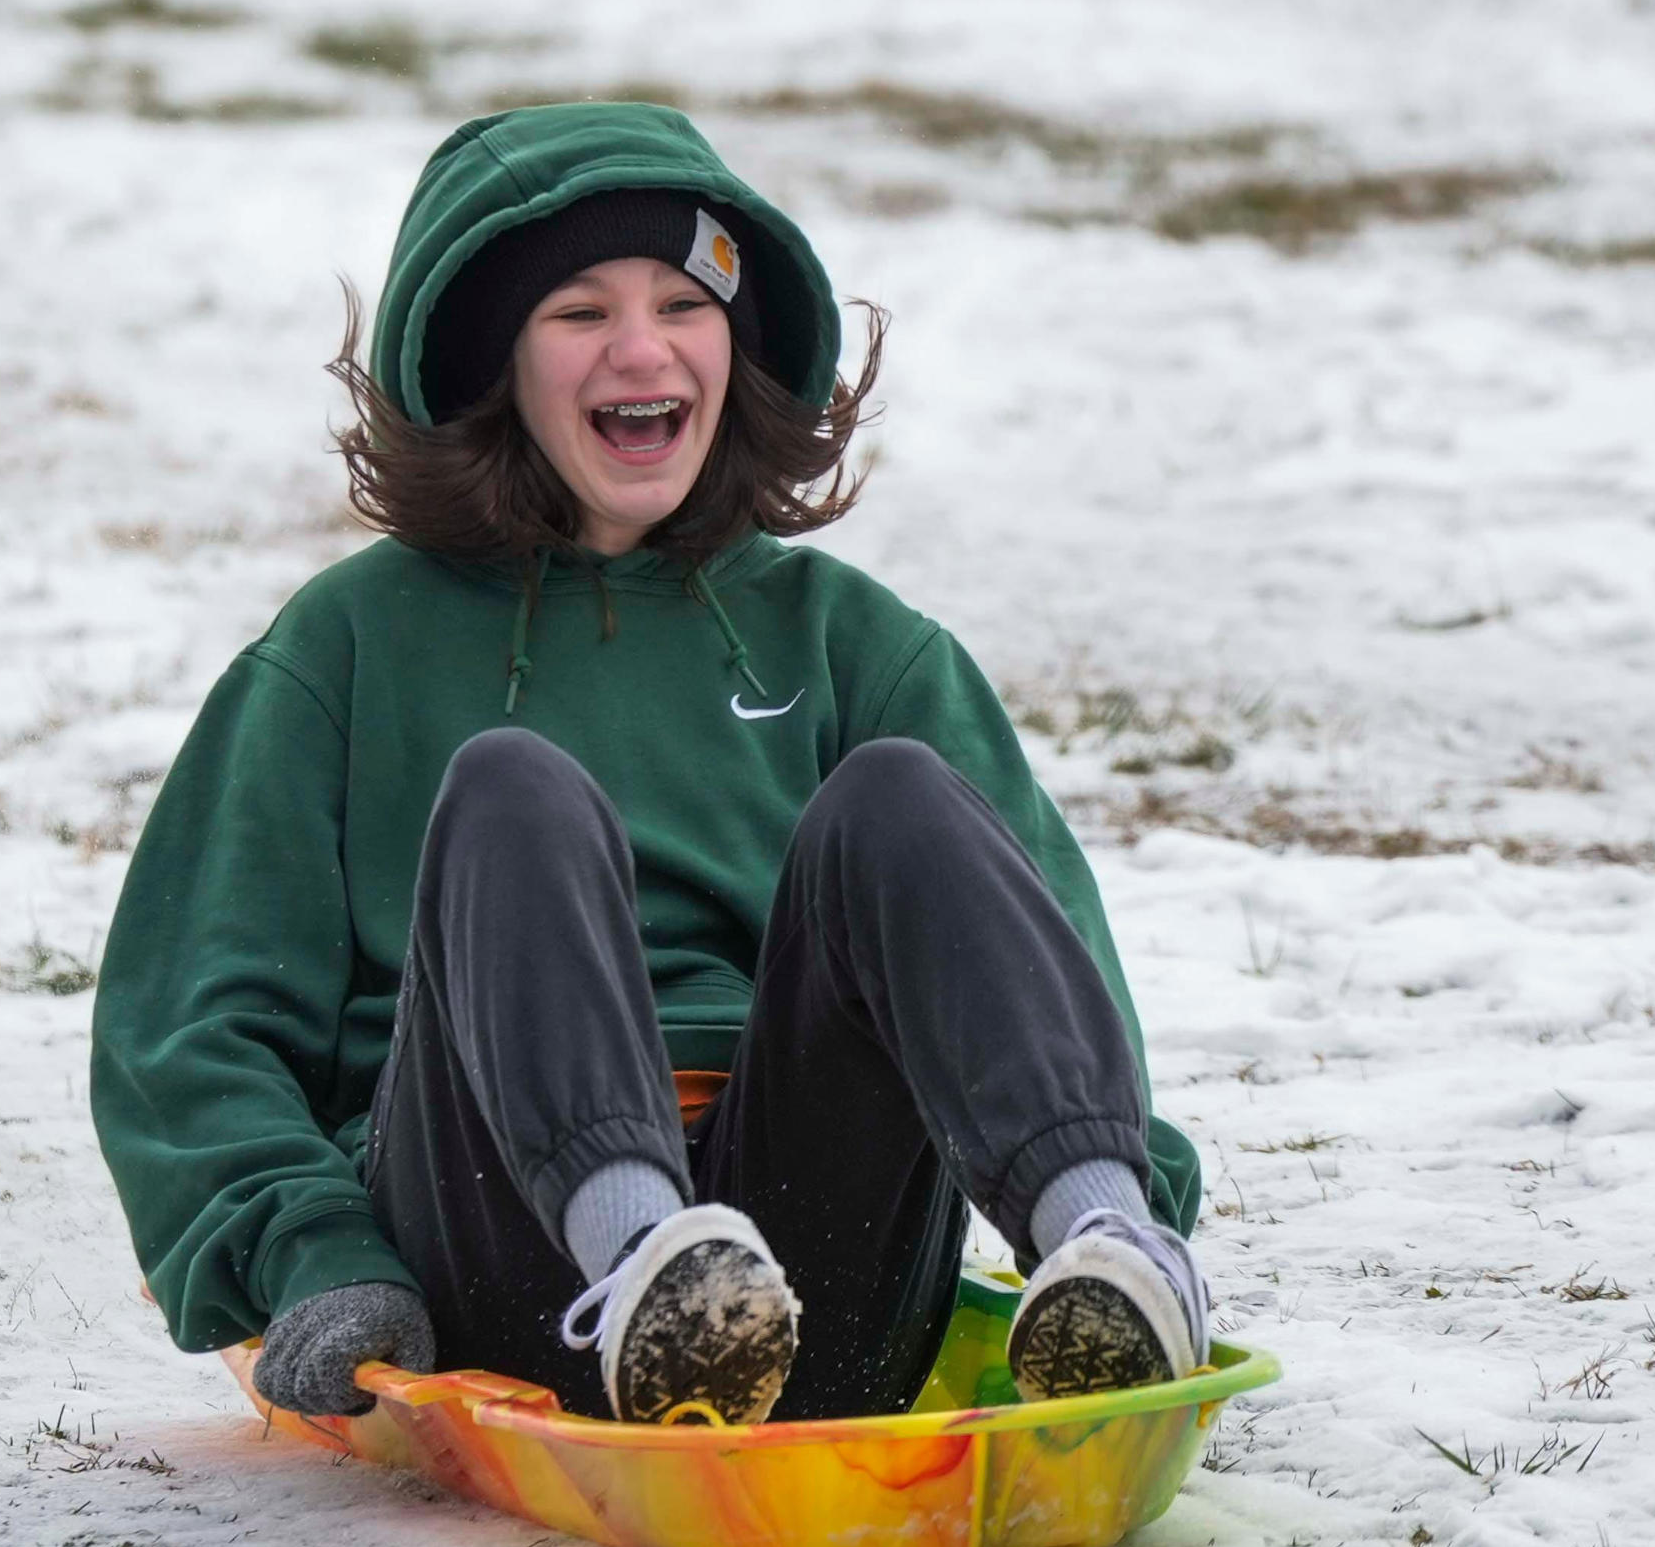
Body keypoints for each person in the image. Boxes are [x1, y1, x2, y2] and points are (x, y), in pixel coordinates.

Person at [92, 102, 1205, 1430]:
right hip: (495, 1274)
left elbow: (1046, 965)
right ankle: (641, 1262)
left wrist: (1128, 1173)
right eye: (577, 311)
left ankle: (1111, 1254)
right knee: (512, 785)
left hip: (822, 1288)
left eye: (683, 302)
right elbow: (190, 1030)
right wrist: (314, 1256)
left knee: (896, 793)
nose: (641, 346)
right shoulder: (346, 649)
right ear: (489, 359)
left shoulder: (851, 644)